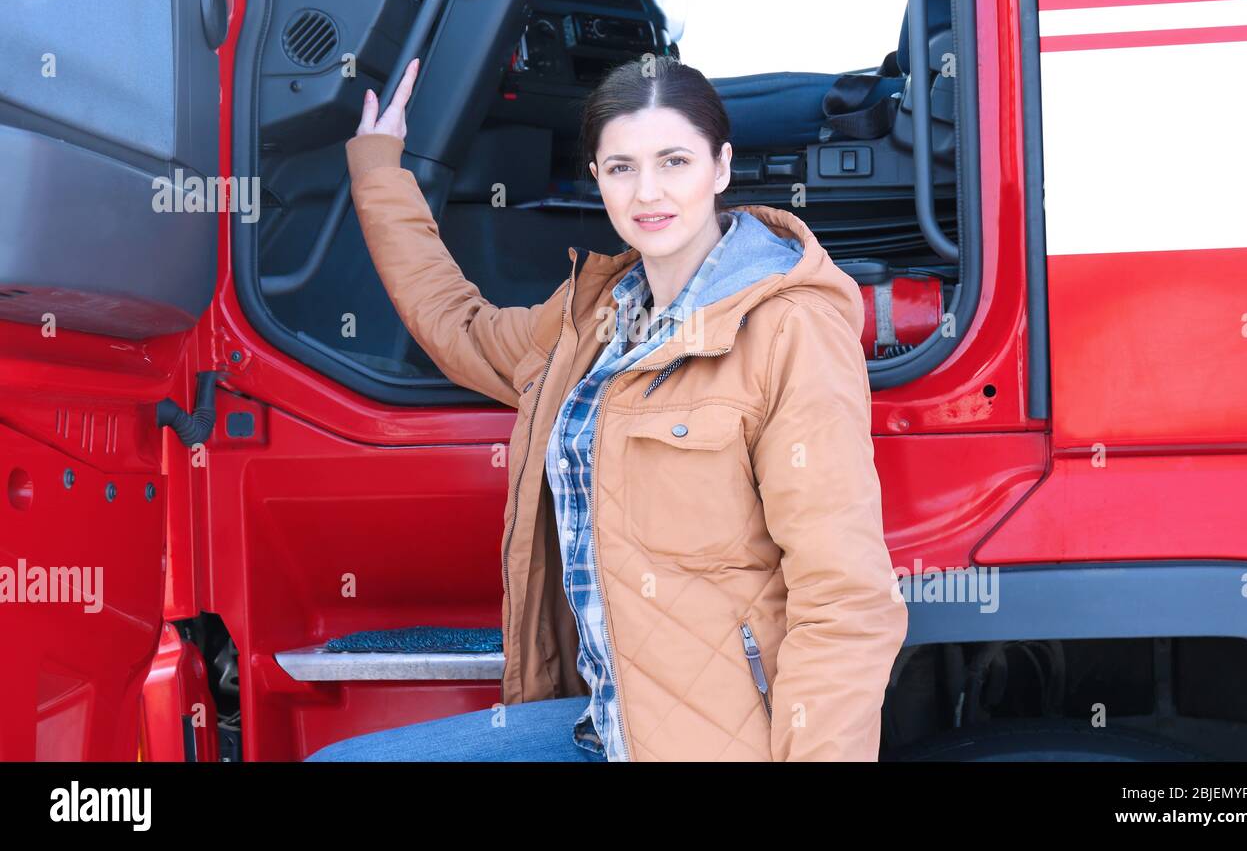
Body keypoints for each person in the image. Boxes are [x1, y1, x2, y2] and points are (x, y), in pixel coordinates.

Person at [305, 54, 908, 762]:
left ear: (720, 167)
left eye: (674, 161)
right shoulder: (594, 316)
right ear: (596, 178)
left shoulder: (788, 328)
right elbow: (461, 327)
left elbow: (845, 603)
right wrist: (380, 172)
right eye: (621, 167)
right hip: (605, 729)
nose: (648, 191)